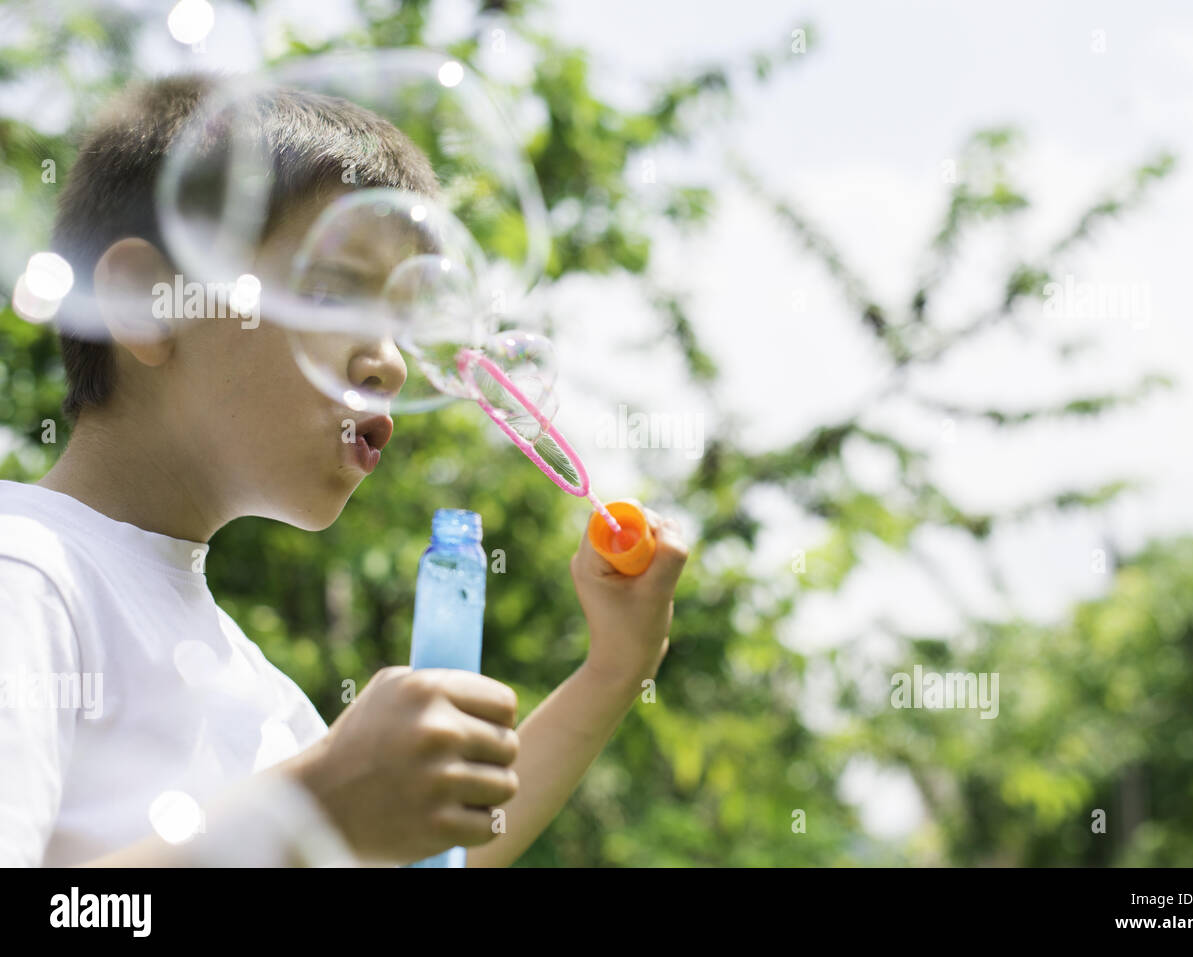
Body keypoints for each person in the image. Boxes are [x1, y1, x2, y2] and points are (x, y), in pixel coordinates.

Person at [0, 73, 689, 867]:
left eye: (399, 320)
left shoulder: (260, 695)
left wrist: (612, 670)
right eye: (335, 291)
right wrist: (311, 808)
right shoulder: (28, 574)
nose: (392, 363)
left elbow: (431, 860)